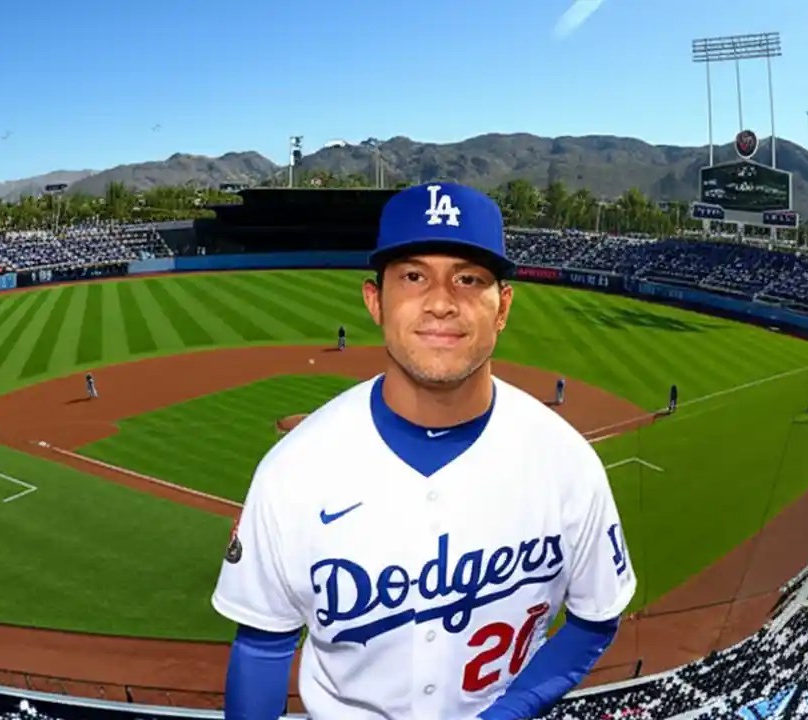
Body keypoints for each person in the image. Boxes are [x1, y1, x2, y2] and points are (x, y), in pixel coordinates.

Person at [211, 182, 636, 720]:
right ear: (375, 301)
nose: (440, 302)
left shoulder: (568, 465)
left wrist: (507, 713)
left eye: (469, 278)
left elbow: (596, 619)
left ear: (503, 306)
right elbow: (263, 645)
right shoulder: (291, 472)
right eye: (414, 276)